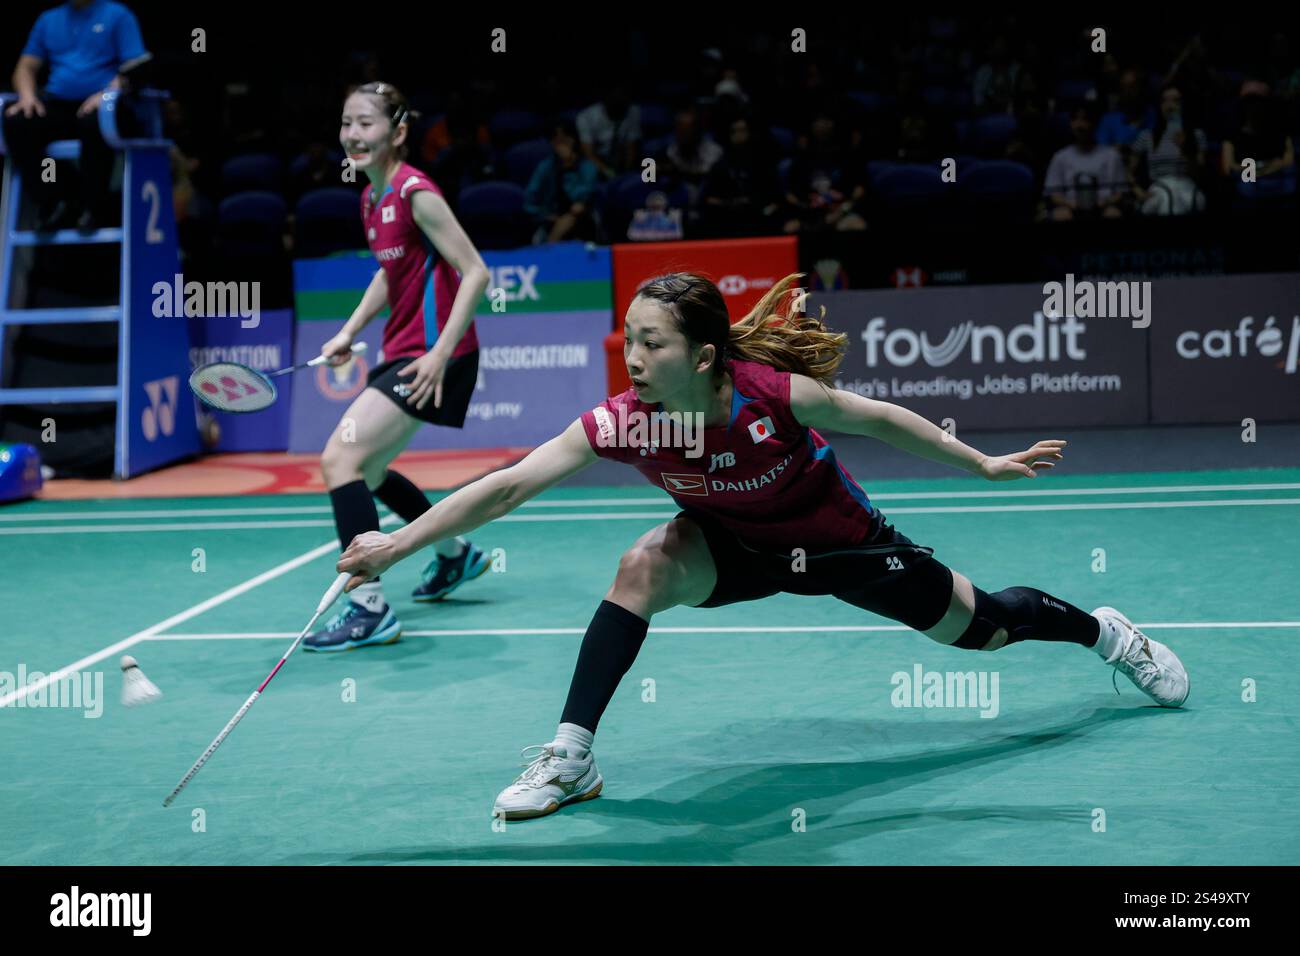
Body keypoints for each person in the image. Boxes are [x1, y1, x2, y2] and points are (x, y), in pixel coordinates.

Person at [335, 272, 1191, 818]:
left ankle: (1108, 635)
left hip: (842, 546)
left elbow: (883, 420)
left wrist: (982, 463)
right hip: (733, 546)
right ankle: (572, 756)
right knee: (640, 566)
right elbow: (512, 483)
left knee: (986, 631)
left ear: (703, 355)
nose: (630, 357)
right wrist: (399, 545)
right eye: (628, 338)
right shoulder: (629, 421)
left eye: (651, 342)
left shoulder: (772, 396)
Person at [304, 81, 492, 652]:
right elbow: (391, 272)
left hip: (437, 352)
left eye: (366, 123)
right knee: (374, 470)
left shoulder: (415, 192)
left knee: (341, 458)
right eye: (346, 123)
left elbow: (476, 271)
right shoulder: (371, 198)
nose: (353, 135)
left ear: (398, 132)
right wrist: (347, 332)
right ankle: (455, 555)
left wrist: (439, 353)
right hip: (405, 345)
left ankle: (369, 607)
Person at [4, 0, 151, 231]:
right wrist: (27, 96)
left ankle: (92, 206)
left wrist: (106, 94)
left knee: (94, 121)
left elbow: (135, 66)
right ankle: (54, 198)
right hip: (60, 104)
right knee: (17, 121)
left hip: (107, 105)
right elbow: (26, 66)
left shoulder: (118, 15)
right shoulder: (48, 19)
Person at [1043, 103, 1128, 220]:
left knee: (1112, 213)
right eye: (1075, 120)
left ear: (1094, 123)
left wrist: (1104, 202)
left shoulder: (1112, 156)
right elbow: (1053, 193)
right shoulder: (1060, 157)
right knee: (1061, 215)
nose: (1079, 125)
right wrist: (1070, 204)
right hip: (1071, 207)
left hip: (1103, 207)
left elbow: (1120, 193)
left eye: (1084, 120)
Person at [523, 120, 597, 244]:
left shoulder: (587, 167)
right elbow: (529, 201)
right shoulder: (544, 168)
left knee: (572, 217)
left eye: (565, 139)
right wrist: (545, 215)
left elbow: (582, 197)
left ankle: (550, 247)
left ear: (574, 140)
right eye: (557, 141)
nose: (561, 145)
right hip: (550, 219)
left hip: (582, 220)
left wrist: (568, 169)